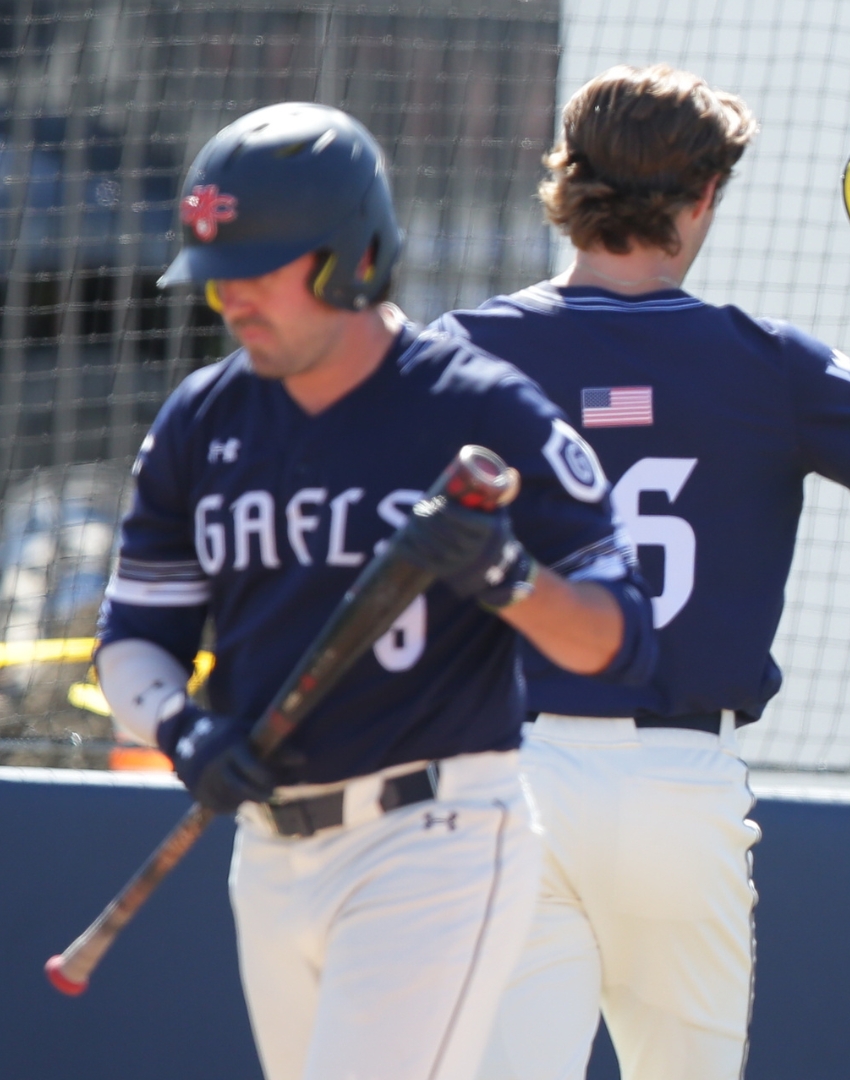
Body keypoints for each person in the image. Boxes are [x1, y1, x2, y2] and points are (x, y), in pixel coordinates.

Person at [431, 65, 850, 1080]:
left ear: (565, 179)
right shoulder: (765, 360)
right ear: (701, 197)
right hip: (676, 783)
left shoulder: (461, 351)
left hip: (502, 773)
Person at [92, 102, 657, 1080]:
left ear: (349, 260)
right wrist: (184, 732)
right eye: (216, 281)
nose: (230, 305)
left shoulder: (480, 409)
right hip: (269, 853)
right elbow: (132, 641)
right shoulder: (200, 422)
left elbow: (620, 643)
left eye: (254, 275)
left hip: (431, 837)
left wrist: (504, 575)